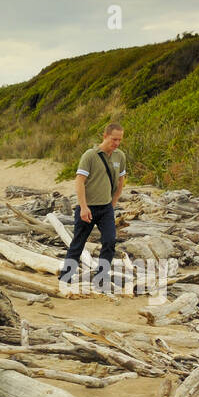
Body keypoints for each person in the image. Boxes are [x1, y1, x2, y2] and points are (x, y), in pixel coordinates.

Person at [59, 123, 127, 289]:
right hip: (87, 207)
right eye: (113, 139)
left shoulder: (120, 156)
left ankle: (101, 278)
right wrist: (83, 206)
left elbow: (121, 181)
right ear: (105, 136)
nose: (116, 143)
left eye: (119, 140)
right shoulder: (90, 155)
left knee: (110, 241)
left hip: (106, 208)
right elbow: (79, 181)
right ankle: (65, 278)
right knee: (78, 244)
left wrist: (113, 202)